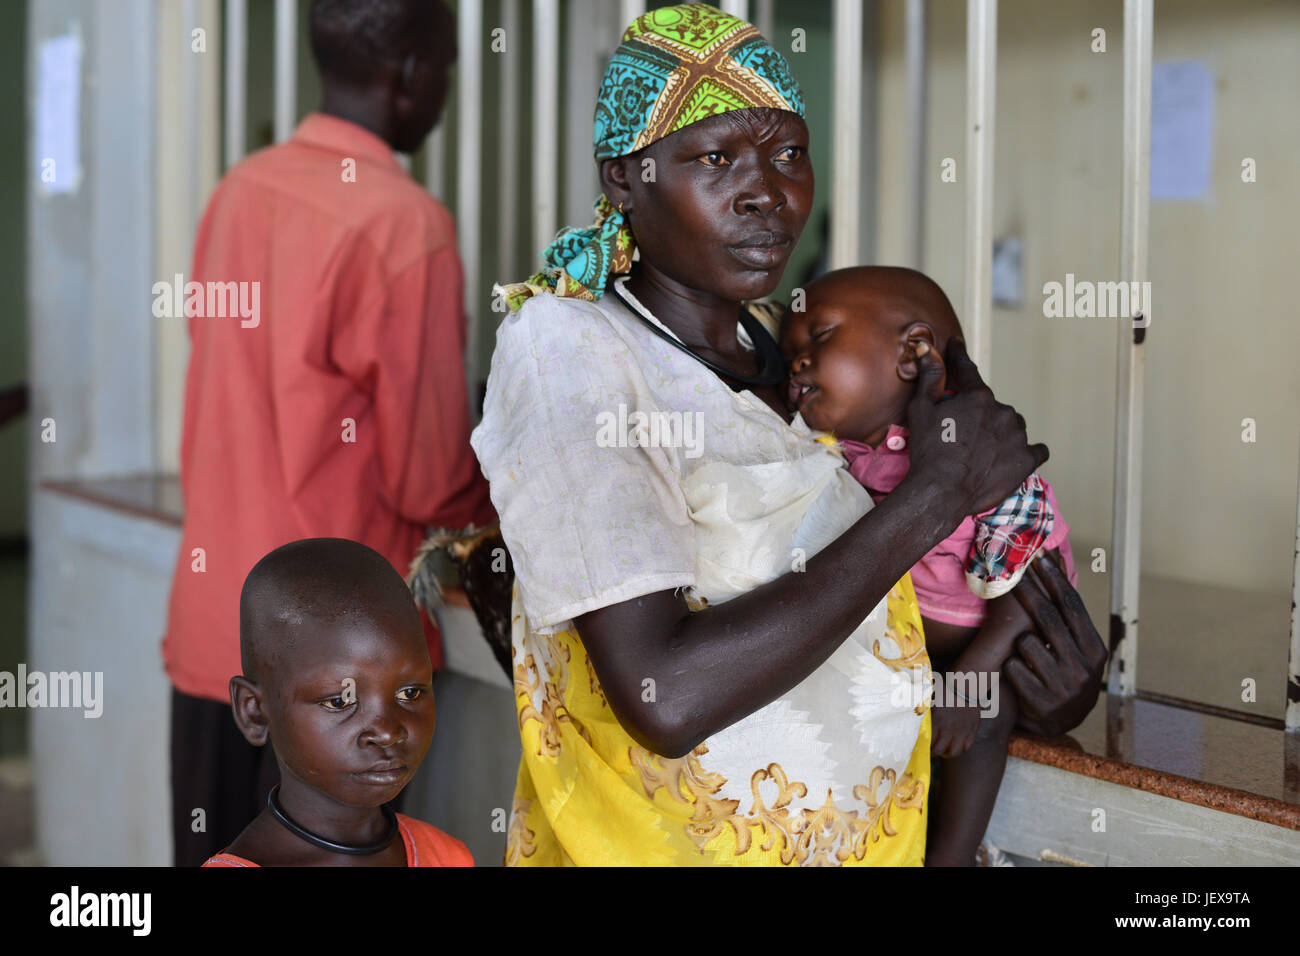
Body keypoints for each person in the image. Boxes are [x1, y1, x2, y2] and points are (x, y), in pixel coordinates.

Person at [471, 3, 1105, 867]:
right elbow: (665, 697)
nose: (766, 189)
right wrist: (935, 495)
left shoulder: (808, 358)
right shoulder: (572, 348)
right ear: (625, 177)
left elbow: (924, 604)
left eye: (788, 154)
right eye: (715, 157)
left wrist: (1041, 690)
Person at [164, 0, 494, 866]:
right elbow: (429, 481)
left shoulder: (241, 189)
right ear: (415, 71)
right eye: (449, 69)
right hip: (339, 669)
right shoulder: (403, 222)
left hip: (221, 634)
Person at [781, 266, 1081, 865]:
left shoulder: (980, 453)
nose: (797, 363)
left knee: (989, 711)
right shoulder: (838, 461)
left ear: (913, 351)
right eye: (790, 352)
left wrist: (972, 676)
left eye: (819, 338)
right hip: (902, 653)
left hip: (986, 650)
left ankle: (950, 857)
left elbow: (1036, 585)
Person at [202, 538, 473, 867]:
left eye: (410, 693)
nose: (387, 732)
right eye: (339, 701)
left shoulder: (447, 857)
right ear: (254, 711)